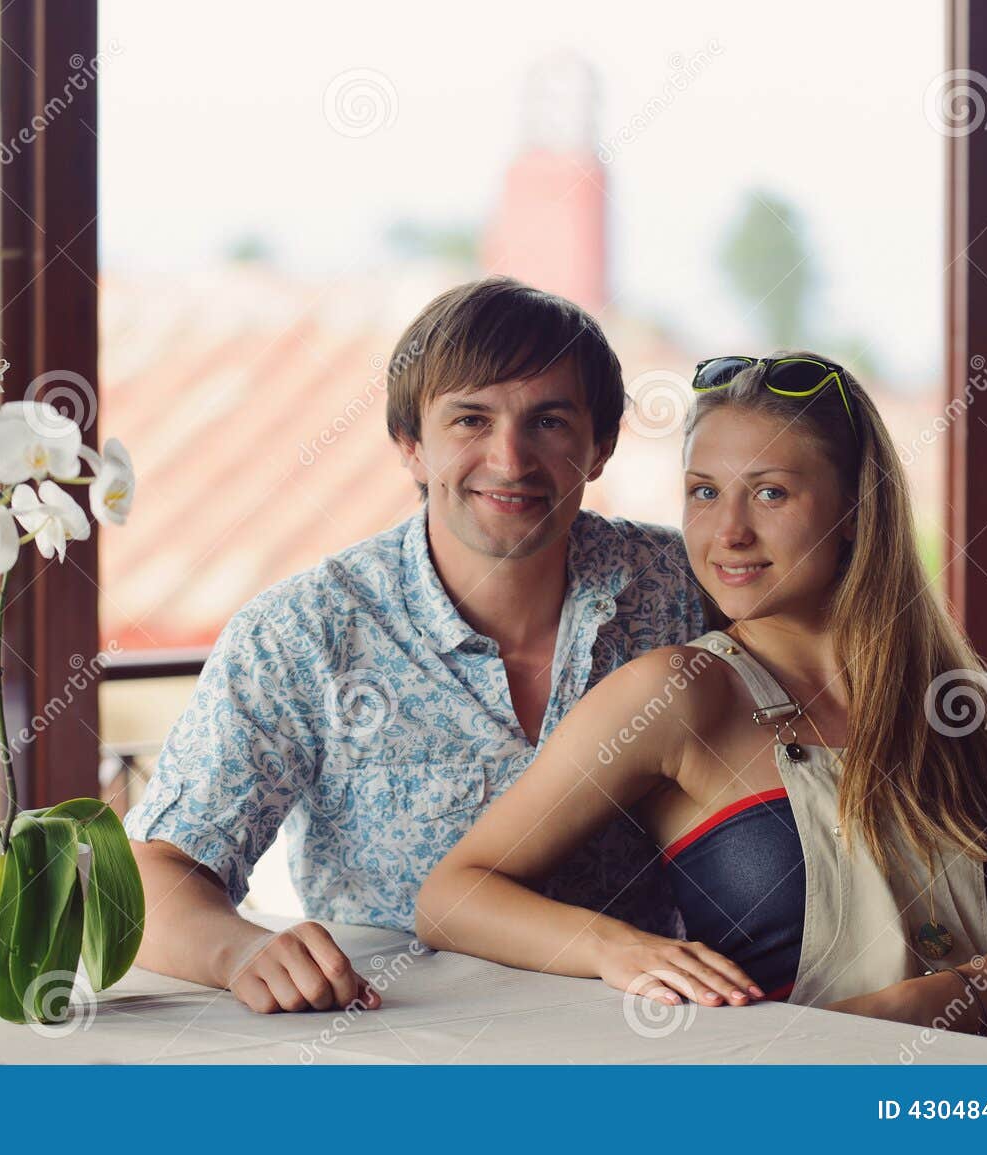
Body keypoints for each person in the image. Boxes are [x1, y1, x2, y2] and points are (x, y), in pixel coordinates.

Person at [416, 352, 987, 1041]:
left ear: (853, 508)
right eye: (704, 492)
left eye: (771, 492)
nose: (730, 532)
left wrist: (900, 1017)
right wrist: (614, 948)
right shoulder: (681, 696)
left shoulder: (985, 712)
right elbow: (454, 896)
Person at [123, 277, 708, 1013]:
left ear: (601, 446)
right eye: (470, 420)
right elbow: (147, 876)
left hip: (655, 1051)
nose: (510, 459)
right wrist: (237, 948)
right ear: (410, 445)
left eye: (549, 423)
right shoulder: (303, 634)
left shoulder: (683, 592)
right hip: (394, 1057)